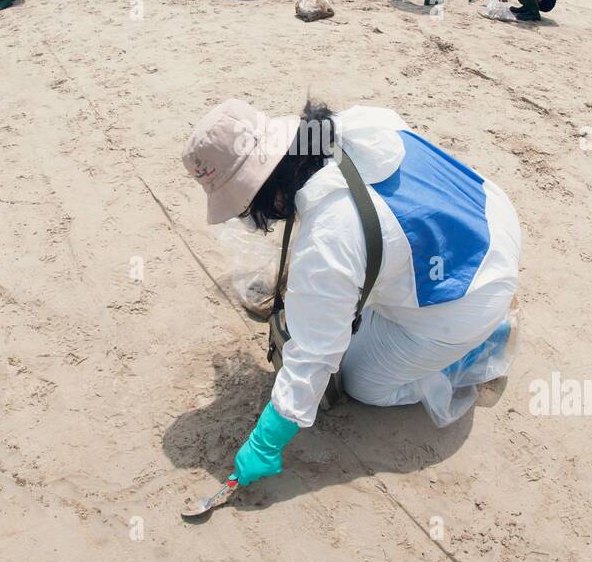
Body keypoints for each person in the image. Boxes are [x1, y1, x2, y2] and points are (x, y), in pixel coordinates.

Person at [180, 99, 521, 489]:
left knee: (363, 383)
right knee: (353, 291)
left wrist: (267, 440)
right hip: (488, 217)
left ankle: (474, 347)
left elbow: (314, 356)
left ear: (263, 192)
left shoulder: (330, 234)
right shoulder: (348, 127)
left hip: (470, 294)